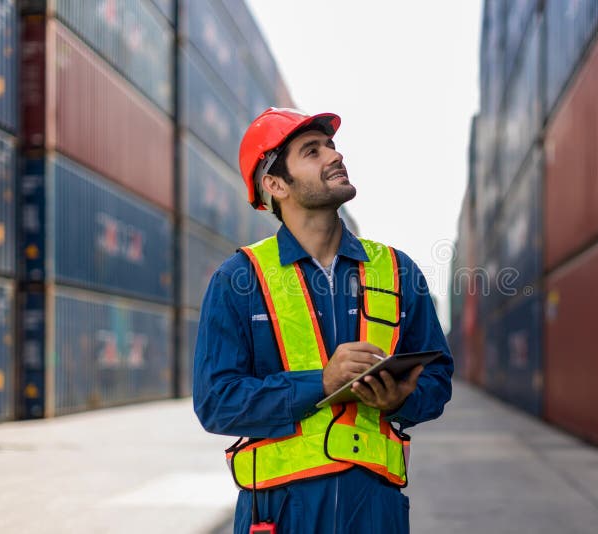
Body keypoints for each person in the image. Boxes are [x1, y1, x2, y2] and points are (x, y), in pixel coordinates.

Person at [193, 108, 453, 534]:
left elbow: (437, 378)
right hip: (280, 515)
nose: (334, 156)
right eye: (312, 151)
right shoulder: (238, 279)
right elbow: (217, 402)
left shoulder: (397, 270)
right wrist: (323, 383)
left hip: (375, 513)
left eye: (331, 146)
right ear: (276, 185)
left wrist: (399, 400)